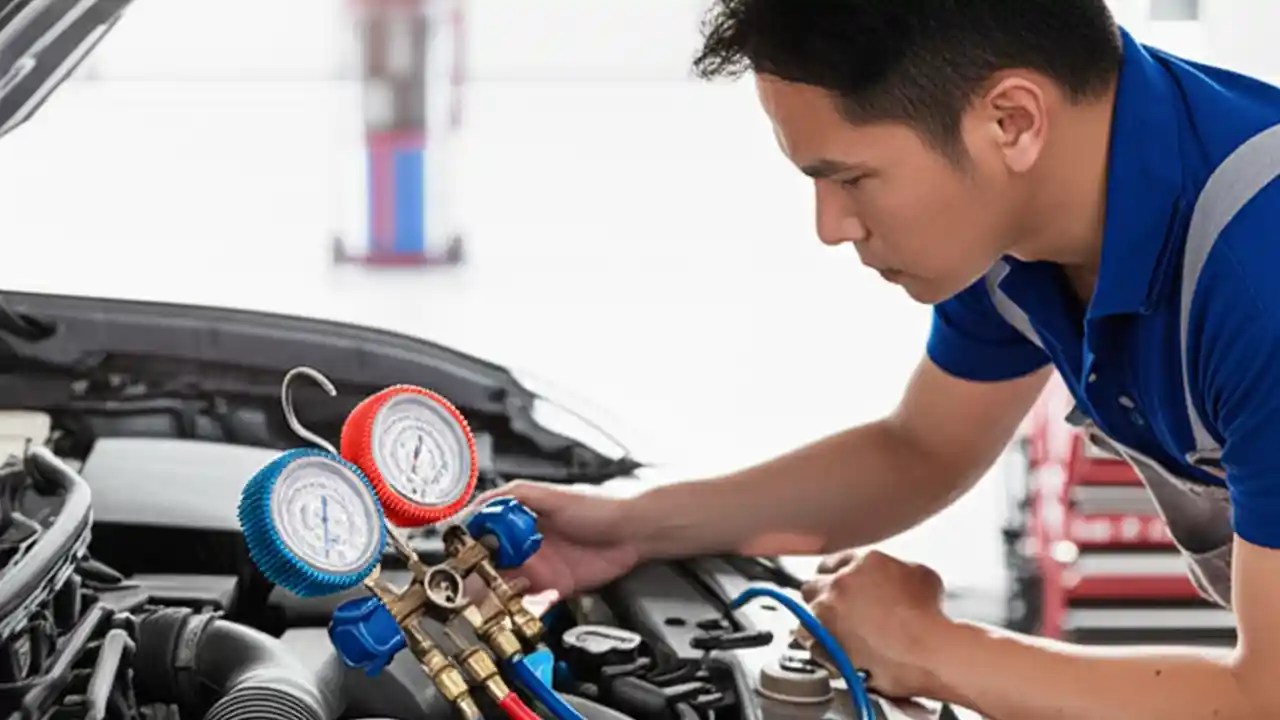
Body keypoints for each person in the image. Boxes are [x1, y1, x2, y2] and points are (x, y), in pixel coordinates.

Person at [470, 1, 1280, 716]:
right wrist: (632, 527)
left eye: (853, 178)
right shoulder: (1024, 221)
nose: (831, 226)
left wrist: (934, 648)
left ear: (1012, 121)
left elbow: (1266, 696)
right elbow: (920, 449)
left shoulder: (1259, 271)